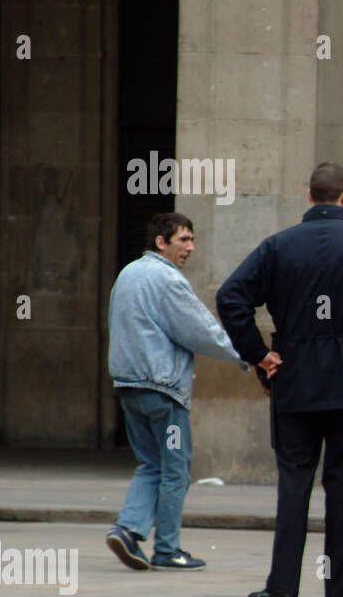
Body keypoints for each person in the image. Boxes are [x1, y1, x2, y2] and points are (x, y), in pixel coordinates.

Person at [216, 162, 343, 597]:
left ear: (309, 196)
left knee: (294, 484)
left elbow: (231, 297)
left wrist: (258, 354)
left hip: (294, 381)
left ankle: (282, 587)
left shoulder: (279, 246)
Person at [106, 212, 251, 571]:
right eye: (183, 239)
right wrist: (248, 357)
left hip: (129, 387)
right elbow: (199, 330)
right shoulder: (167, 279)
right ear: (161, 242)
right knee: (175, 470)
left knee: (150, 464)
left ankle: (127, 529)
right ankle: (168, 550)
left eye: (192, 239)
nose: (191, 247)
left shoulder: (127, 274)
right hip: (163, 393)